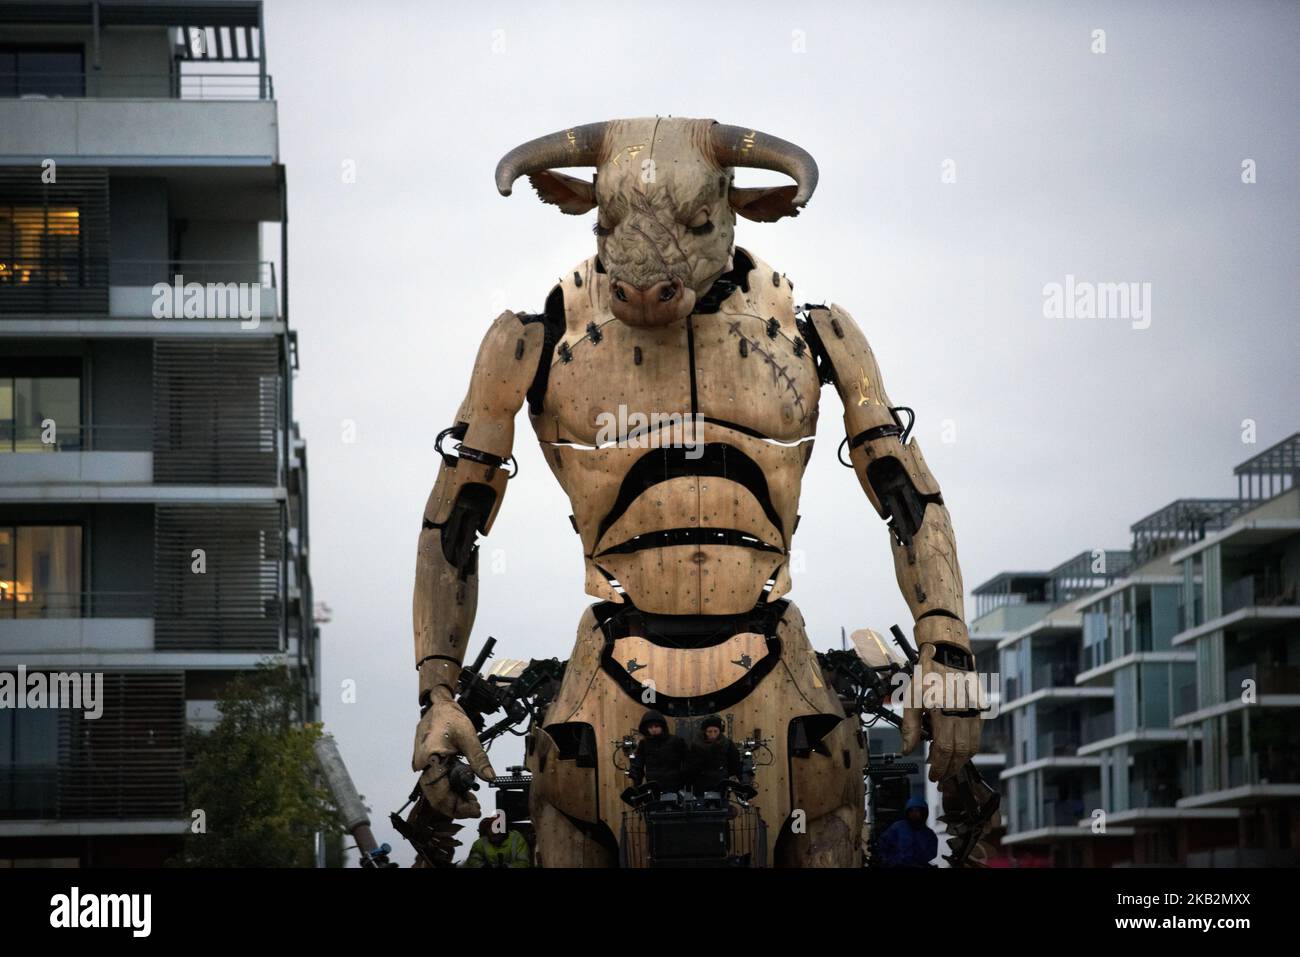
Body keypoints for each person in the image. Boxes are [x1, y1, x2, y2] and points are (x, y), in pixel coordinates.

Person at [628, 709, 687, 793]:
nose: (653, 729)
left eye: (656, 726)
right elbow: (638, 766)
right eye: (650, 727)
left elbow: (687, 761)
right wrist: (636, 786)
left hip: (673, 785)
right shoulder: (644, 744)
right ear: (646, 729)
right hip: (653, 786)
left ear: (662, 726)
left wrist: (684, 781)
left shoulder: (675, 741)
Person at [876, 795, 939, 867]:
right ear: (907, 813)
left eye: (917, 811)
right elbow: (882, 844)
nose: (914, 814)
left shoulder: (929, 834)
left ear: (924, 813)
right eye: (911, 811)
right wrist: (890, 860)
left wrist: (916, 859)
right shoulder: (897, 827)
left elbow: (931, 853)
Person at [684, 715, 741, 794]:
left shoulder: (727, 744)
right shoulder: (696, 745)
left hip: (721, 781)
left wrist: (733, 777)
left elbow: (734, 762)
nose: (713, 735)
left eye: (715, 731)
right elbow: (690, 766)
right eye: (709, 731)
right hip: (701, 783)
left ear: (719, 731)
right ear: (705, 732)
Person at [463, 816, 532, 868]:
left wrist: (507, 867)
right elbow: (472, 860)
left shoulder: (516, 839)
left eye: (497, 834)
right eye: (492, 836)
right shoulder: (480, 843)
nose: (495, 838)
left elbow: (524, 862)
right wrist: (483, 866)